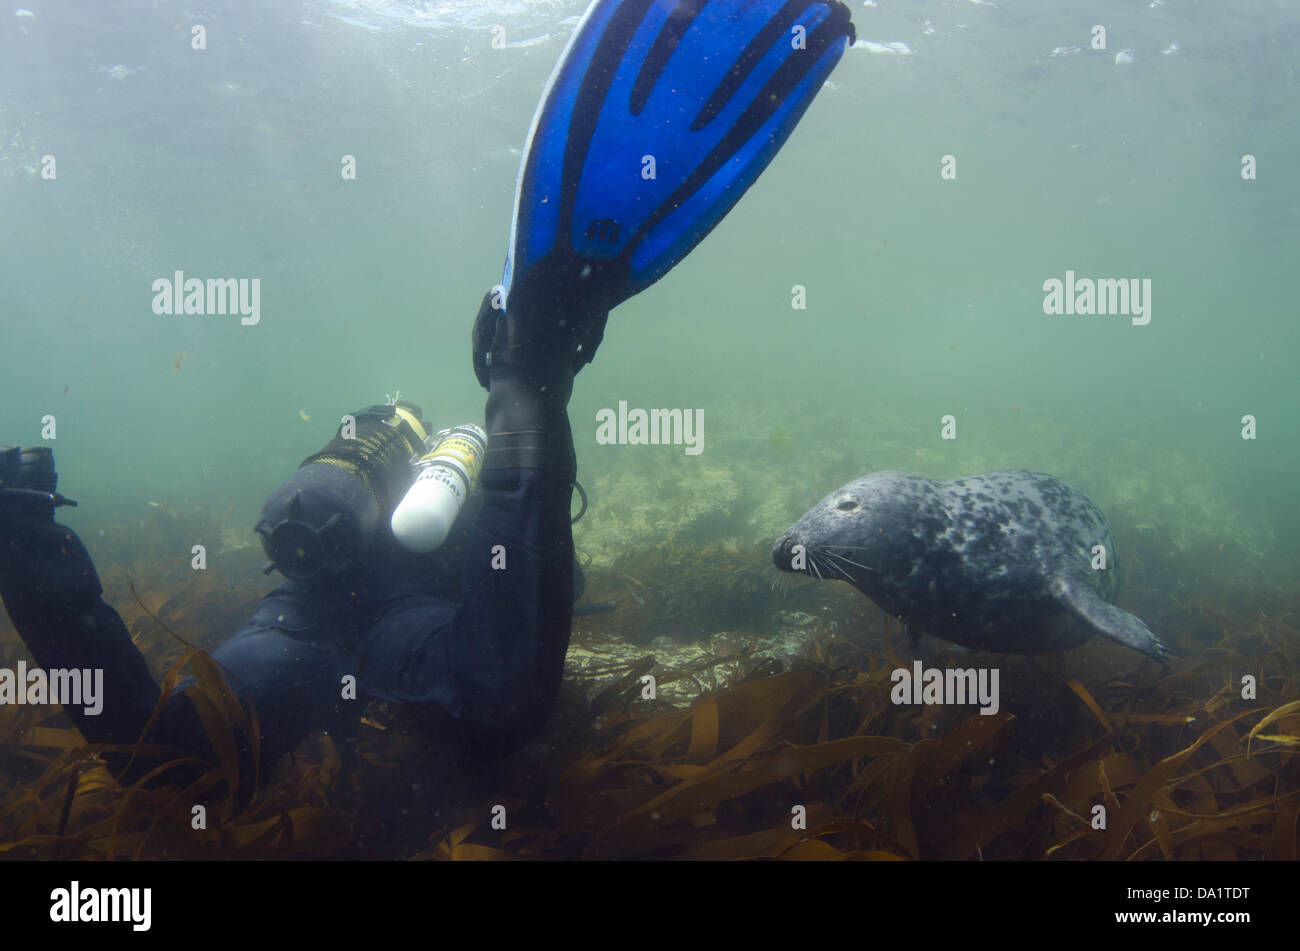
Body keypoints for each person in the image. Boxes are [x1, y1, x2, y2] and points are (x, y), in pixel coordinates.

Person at [0, 0, 856, 797]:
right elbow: (529, 588)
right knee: (501, 708)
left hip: (302, 606)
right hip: (381, 613)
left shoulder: (346, 544)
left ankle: (19, 523)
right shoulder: (448, 513)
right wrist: (526, 395)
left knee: (177, 763)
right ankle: (532, 370)